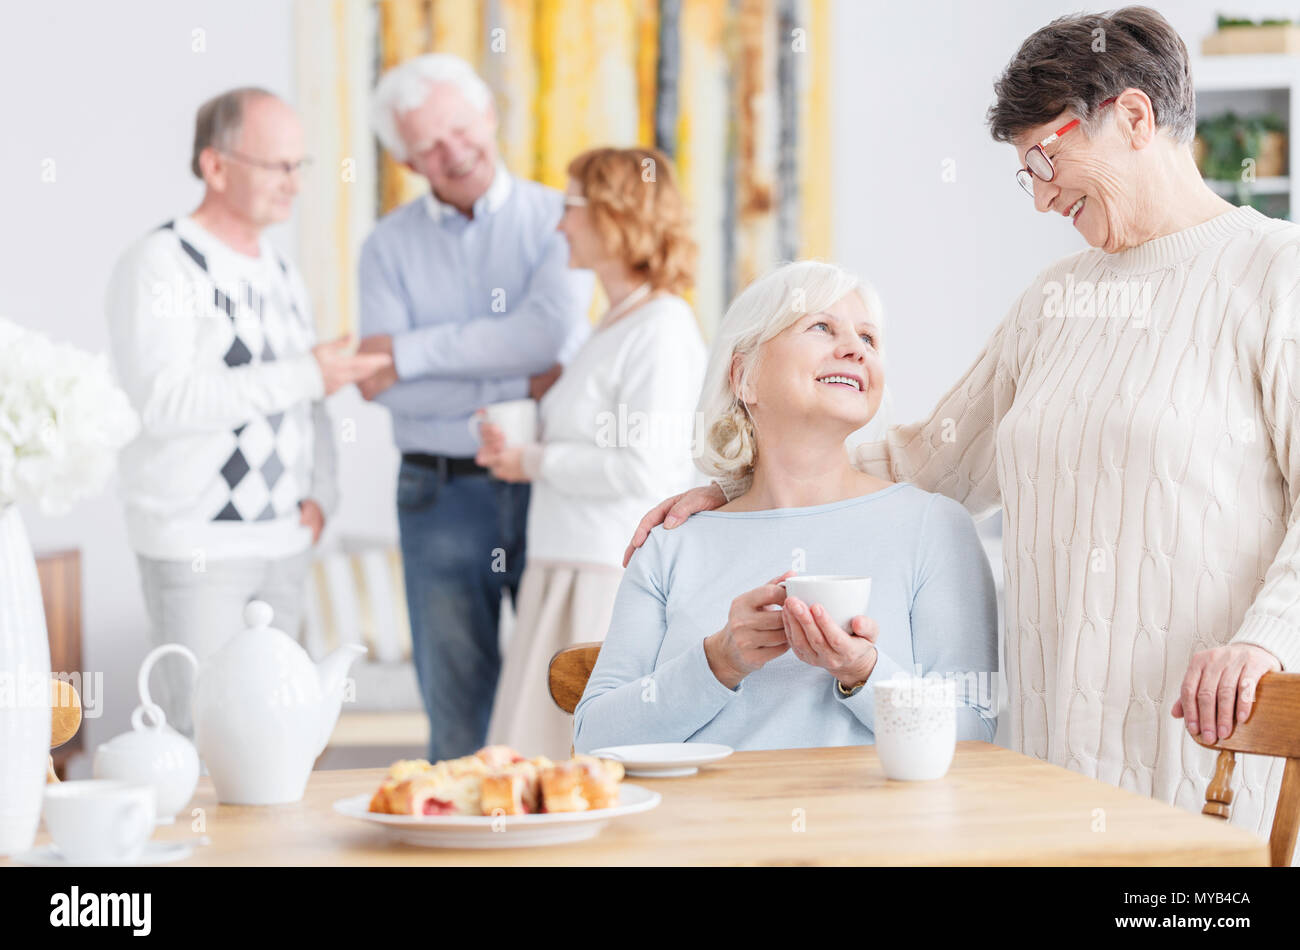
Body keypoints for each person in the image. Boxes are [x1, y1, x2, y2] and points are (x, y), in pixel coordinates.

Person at [624, 7, 1300, 857]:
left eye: (1048, 159)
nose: (1044, 195)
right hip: (1051, 756)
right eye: (1027, 173)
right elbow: (929, 457)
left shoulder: (1275, 272)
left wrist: (1262, 639)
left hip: (1206, 745)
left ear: (1135, 118)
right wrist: (738, 486)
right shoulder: (1054, 299)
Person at [574, 261, 998, 753]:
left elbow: (973, 732)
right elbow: (593, 740)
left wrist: (863, 673)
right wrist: (718, 663)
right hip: (702, 828)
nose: (855, 350)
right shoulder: (673, 540)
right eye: (821, 327)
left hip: (873, 830)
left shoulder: (935, 527)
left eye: (869, 338)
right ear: (743, 376)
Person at [107, 88, 390, 735]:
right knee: (206, 742)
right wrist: (306, 372)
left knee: (274, 742)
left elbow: (307, 393)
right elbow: (165, 401)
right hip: (198, 544)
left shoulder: (281, 272)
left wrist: (322, 491)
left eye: (300, 166)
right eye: (277, 166)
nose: (294, 184)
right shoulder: (161, 264)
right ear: (215, 166)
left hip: (283, 545)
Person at [357, 54, 592, 761]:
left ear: (488, 117)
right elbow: (379, 379)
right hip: (438, 489)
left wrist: (414, 352)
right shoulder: (387, 246)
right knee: (457, 706)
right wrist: (522, 383)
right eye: (428, 143)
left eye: (460, 126)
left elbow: (544, 332)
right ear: (405, 159)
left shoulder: (559, 219)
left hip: (545, 483)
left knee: (562, 689)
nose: (452, 150)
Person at [475, 147, 707, 756]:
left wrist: (532, 461)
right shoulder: (617, 325)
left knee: (580, 765)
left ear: (613, 213)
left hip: (602, 580)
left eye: (569, 206)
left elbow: (647, 469)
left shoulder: (660, 328)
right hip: (566, 567)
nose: (559, 224)